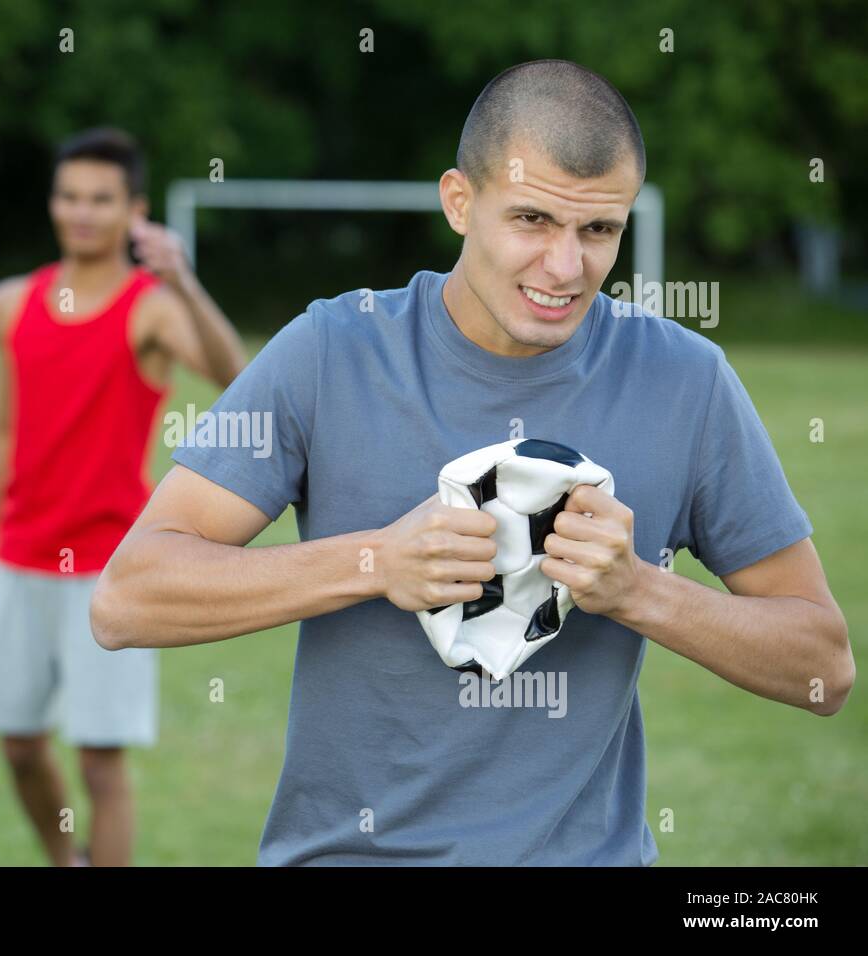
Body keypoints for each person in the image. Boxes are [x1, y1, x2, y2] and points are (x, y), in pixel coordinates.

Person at [89, 61, 854, 865]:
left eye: (599, 231)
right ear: (460, 201)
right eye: (532, 219)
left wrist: (639, 591)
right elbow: (128, 597)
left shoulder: (686, 381)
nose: (566, 267)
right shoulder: (331, 352)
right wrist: (376, 561)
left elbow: (823, 667)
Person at [0, 127, 246, 866]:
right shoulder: (10, 303)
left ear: (134, 210)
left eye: (101, 200)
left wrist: (183, 281)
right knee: (20, 747)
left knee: (100, 765)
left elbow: (235, 377)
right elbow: (1, 437)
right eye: (70, 197)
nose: (82, 212)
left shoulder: (150, 309)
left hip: (105, 565)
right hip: (17, 558)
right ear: (54, 202)